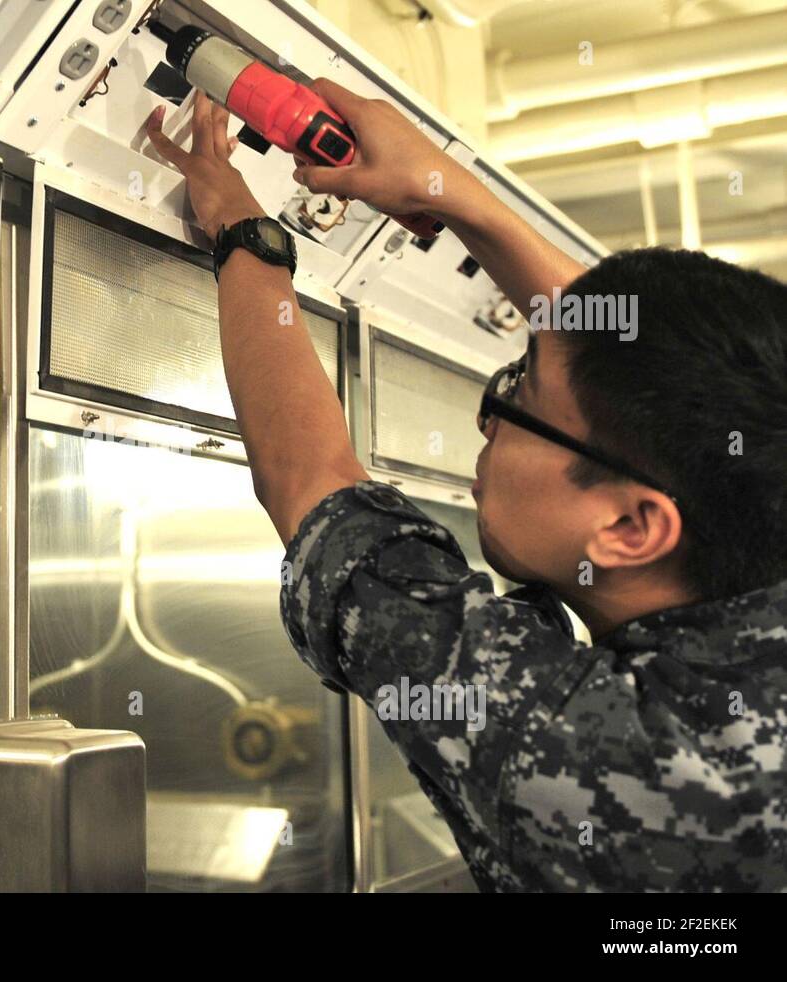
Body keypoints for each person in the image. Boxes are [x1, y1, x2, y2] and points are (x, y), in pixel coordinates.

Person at [145, 84, 787, 891]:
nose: (488, 423)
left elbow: (314, 486)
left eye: (519, 400)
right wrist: (443, 191)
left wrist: (245, 232)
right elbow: (637, 373)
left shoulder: (630, 777)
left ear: (630, 528)